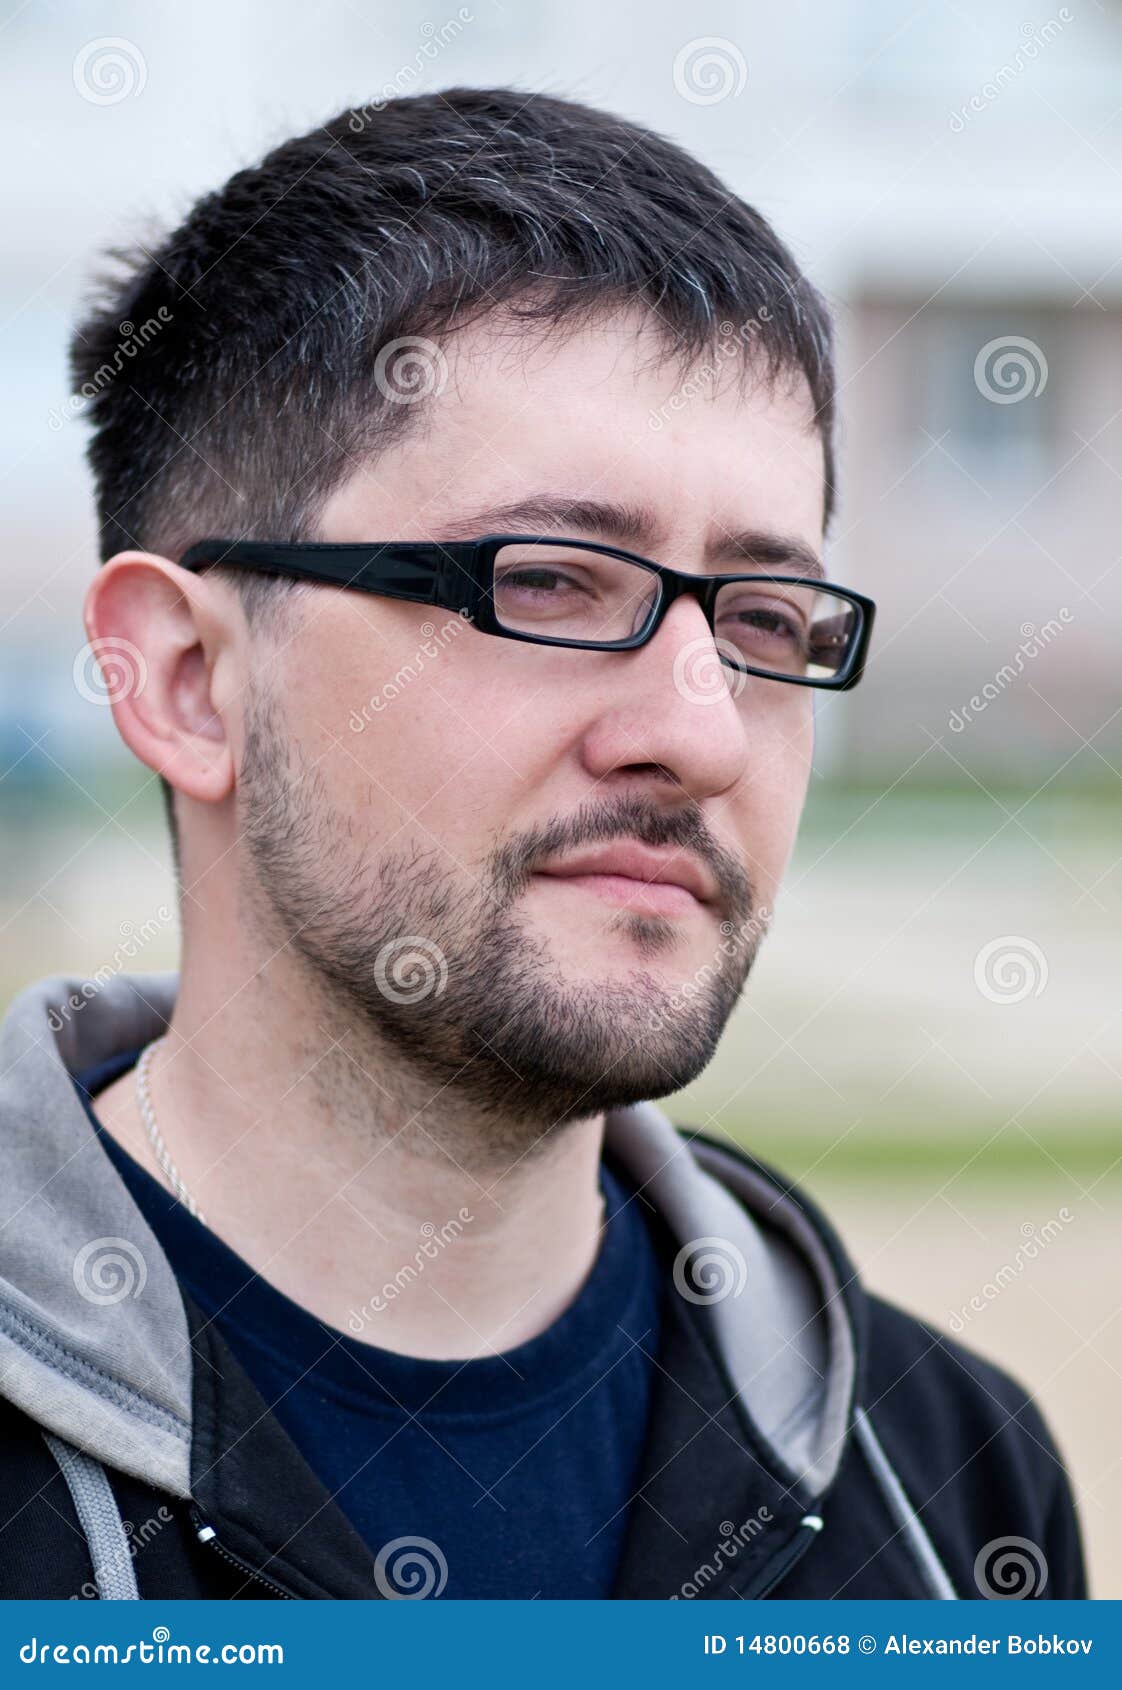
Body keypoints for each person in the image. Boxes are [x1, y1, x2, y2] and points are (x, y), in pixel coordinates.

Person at [0, 87, 1083, 1601]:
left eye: (766, 619)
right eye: (550, 583)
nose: (702, 734)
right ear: (188, 679)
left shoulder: (949, 1478)